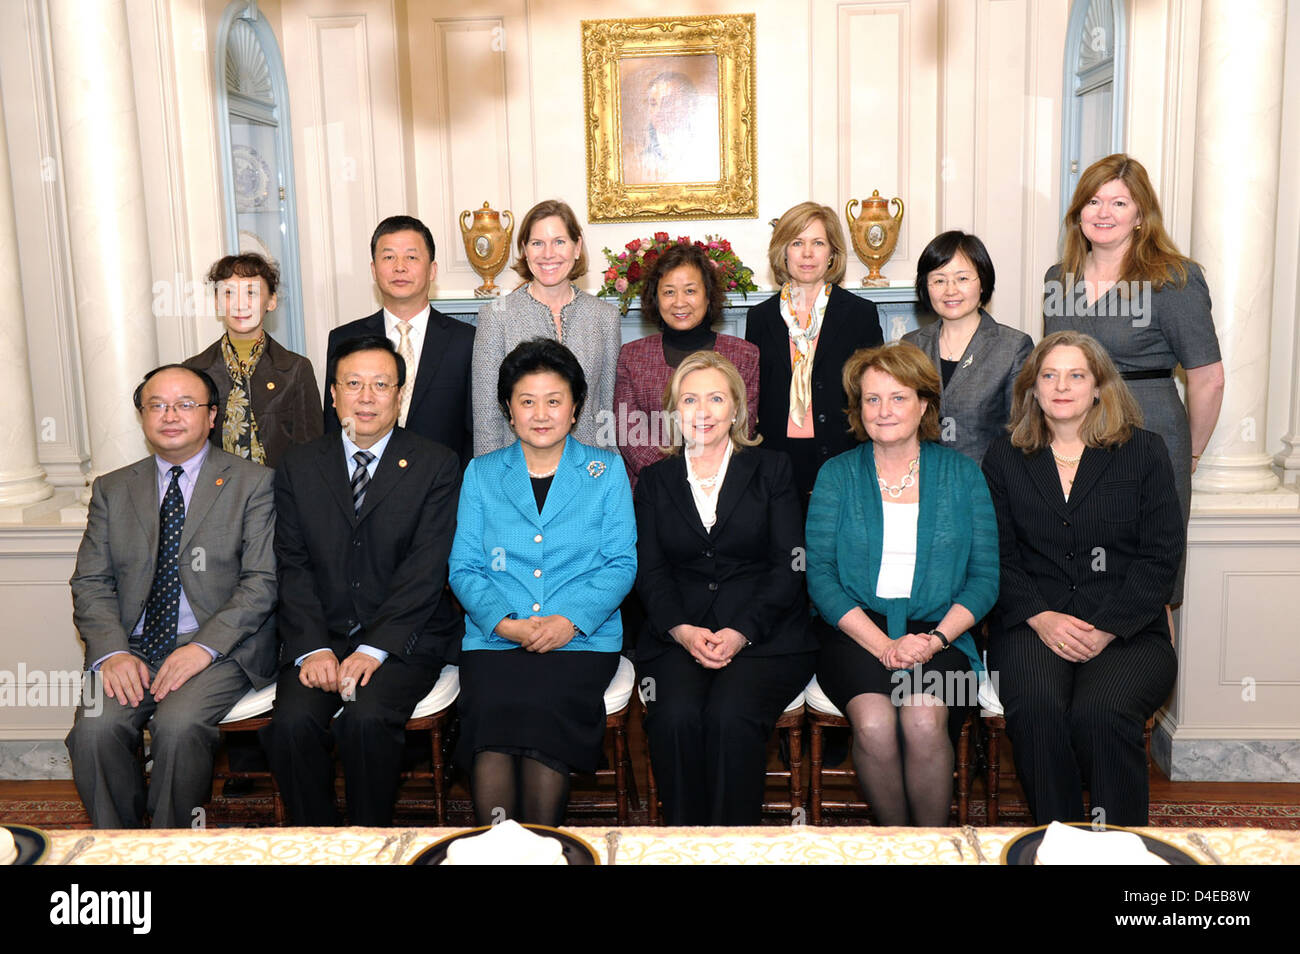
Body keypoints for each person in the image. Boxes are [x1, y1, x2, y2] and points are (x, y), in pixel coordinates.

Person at [982, 331, 1182, 826]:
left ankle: (1118, 844)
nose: (1061, 386)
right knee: (1036, 709)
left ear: (1099, 387)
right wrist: (1042, 618)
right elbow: (997, 555)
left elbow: (1161, 556)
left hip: (1127, 628)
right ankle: (1061, 837)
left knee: (1101, 712)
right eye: (1048, 375)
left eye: (1076, 375)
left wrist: (1107, 627)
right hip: (1034, 623)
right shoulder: (1005, 456)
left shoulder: (1144, 452)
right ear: (1032, 389)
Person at [263, 335, 462, 826]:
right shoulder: (298, 466)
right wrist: (312, 647)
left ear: (400, 394)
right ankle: (320, 843)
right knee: (291, 725)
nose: (367, 397)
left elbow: (426, 570)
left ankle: (369, 840)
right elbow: (291, 564)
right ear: (333, 395)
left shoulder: (436, 464)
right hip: (320, 636)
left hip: (401, 639)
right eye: (354, 384)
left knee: (367, 721)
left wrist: (374, 650)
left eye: (380, 385)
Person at [66, 365, 277, 828]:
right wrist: (113, 652)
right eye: (157, 405)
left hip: (220, 648)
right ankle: (119, 848)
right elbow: (91, 582)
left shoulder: (253, 483)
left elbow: (261, 581)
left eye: (185, 404)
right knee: (94, 732)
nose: (170, 416)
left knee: (178, 727)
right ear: (142, 416)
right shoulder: (113, 488)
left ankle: (171, 844)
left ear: (212, 416)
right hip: (132, 646)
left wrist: (203, 648)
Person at [805, 343, 998, 826]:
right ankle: (896, 845)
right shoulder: (837, 475)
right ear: (857, 409)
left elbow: (985, 578)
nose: (884, 411)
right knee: (872, 724)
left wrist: (932, 641)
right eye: (871, 400)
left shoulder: (963, 475)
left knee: (923, 716)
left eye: (898, 397)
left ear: (924, 405)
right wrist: (883, 645)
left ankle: (931, 847)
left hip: (942, 633)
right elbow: (821, 576)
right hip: (855, 633)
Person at [450, 338, 635, 826]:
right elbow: (464, 567)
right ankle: (496, 851)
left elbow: (620, 564)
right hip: (495, 639)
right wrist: (505, 623)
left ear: (575, 408)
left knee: (543, 713)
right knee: (490, 715)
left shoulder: (606, 470)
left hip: (580, 641)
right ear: (508, 410)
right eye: (526, 401)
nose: (540, 413)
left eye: (554, 401)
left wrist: (569, 622)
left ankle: (540, 845)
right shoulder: (482, 473)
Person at [635, 351, 816, 824]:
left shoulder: (772, 469)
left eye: (716, 398)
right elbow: (650, 571)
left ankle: (733, 846)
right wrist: (681, 630)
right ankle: (681, 844)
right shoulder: (654, 481)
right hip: (677, 636)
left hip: (764, 634)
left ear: (737, 408)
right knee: (673, 717)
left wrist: (740, 631)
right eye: (690, 399)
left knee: (730, 717)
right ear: (674, 411)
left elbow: (788, 566)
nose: (704, 411)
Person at [1046, 154, 1224, 604]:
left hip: (1150, 436)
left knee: (1148, 585)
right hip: (1073, 447)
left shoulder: (1173, 278)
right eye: (1093, 201)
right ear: (1078, 212)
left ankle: (1143, 674)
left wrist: (1194, 454)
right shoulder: (1058, 279)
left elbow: (1208, 378)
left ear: (1141, 214)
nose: (1103, 213)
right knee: (1079, 580)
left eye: (1119, 203)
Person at [746, 201, 884, 506]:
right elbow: (754, 395)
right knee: (785, 551)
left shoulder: (860, 314)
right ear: (783, 251)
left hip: (843, 455)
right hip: (775, 459)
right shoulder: (760, 318)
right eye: (797, 243)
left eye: (818, 243)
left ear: (832, 252)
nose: (807, 253)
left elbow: (874, 391)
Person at [472, 200, 620, 455]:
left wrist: (608, 471)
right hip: (517, 470)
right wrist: (491, 481)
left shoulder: (604, 316)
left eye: (559, 242)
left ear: (577, 247)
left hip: (587, 470)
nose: (548, 253)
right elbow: (487, 415)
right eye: (537, 243)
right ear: (525, 250)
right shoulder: (496, 317)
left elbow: (605, 408)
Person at [325, 215, 474, 465]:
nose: (400, 267)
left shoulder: (466, 341)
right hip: (365, 483)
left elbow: (475, 431)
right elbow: (334, 427)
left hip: (443, 487)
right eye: (389, 257)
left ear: (432, 269)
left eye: (412, 257)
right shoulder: (345, 339)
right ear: (374, 269)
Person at [614, 241, 759, 489]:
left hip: (722, 487)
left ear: (708, 295)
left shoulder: (743, 355)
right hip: (653, 489)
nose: (679, 302)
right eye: (669, 292)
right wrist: (673, 477)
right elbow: (628, 433)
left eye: (690, 290)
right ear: (655, 298)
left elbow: (743, 429)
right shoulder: (632, 355)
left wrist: (704, 475)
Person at [902, 231, 1031, 463]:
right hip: (922, 481)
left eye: (962, 279)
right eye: (939, 280)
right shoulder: (911, 346)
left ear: (982, 282)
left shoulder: (1013, 347)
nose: (950, 290)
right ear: (926, 286)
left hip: (987, 486)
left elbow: (1023, 433)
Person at [184, 253, 322, 468]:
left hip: (278, 494)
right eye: (228, 293)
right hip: (214, 494)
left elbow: (311, 450)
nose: (240, 305)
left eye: (251, 293)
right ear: (217, 303)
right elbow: (187, 448)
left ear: (272, 301)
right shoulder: (194, 371)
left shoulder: (295, 369)